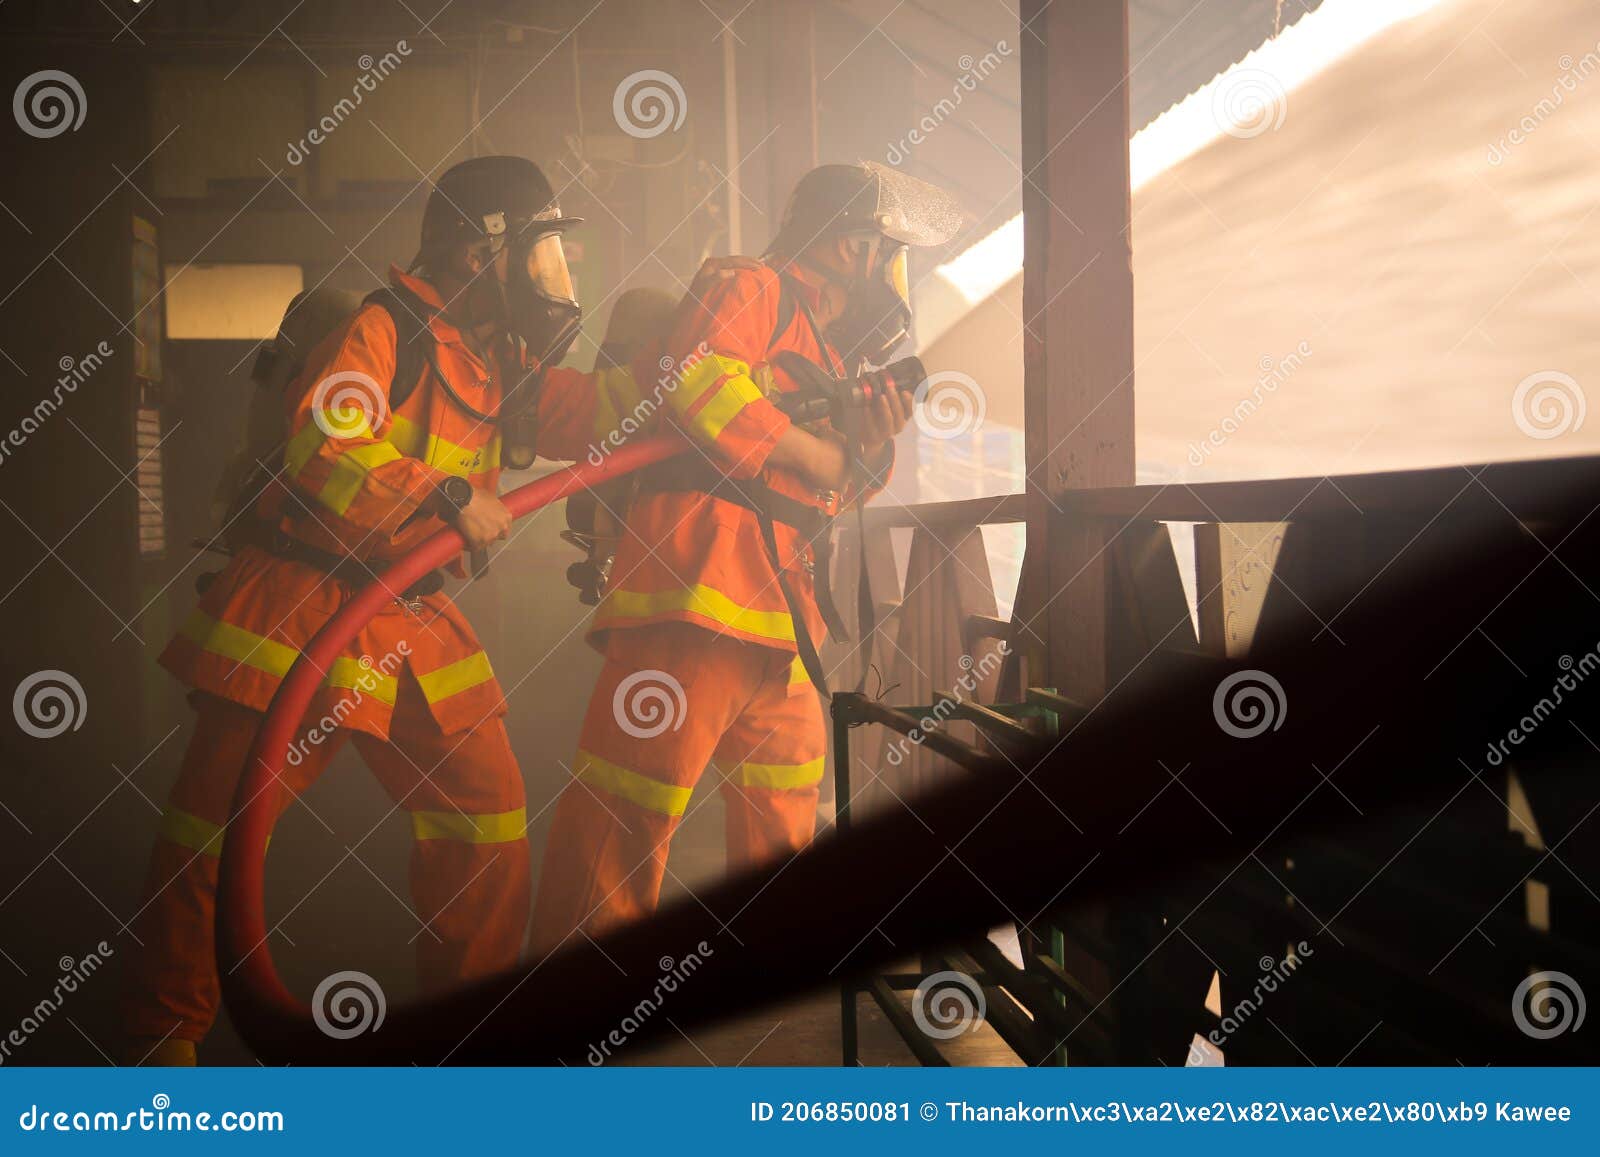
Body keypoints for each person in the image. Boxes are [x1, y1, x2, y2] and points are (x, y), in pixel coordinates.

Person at [121, 155, 610, 1065]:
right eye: (538, 255)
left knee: (486, 810)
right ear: (479, 250)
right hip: (302, 606)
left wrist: (675, 388)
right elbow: (327, 443)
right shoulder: (386, 330)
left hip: (409, 619)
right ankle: (161, 1039)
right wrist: (447, 494)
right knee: (218, 824)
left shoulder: (493, 354)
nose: (551, 282)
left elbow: (577, 415)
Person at [529, 162, 962, 954]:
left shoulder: (828, 360)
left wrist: (864, 449)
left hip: (779, 622)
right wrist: (829, 457)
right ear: (850, 246)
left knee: (783, 830)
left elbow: (825, 491)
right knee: (623, 825)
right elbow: (703, 390)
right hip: (692, 599)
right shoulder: (750, 285)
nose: (894, 275)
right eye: (886, 251)